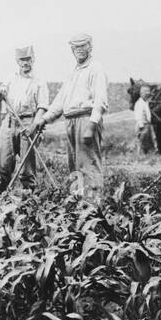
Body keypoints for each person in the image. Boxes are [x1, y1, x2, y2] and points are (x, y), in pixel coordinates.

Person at [29, 33, 109, 201]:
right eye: (76, 47)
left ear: (90, 47)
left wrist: (92, 126)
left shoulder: (96, 68)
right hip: (71, 120)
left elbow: (100, 100)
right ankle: (78, 205)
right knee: (74, 165)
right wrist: (43, 120)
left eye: (83, 46)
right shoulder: (73, 71)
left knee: (89, 165)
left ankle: (93, 207)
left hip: (86, 119)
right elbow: (61, 101)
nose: (80, 50)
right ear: (72, 50)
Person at [0, 45, 50, 193]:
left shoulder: (39, 81)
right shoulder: (11, 78)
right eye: (22, 60)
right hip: (10, 121)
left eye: (28, 59)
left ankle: (28, 194)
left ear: (33, 59)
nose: (25, 63)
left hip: (28, 122)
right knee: (3, 161)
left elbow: (42, 107)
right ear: (17, 61)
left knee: (26, 167)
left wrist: (34, 126)